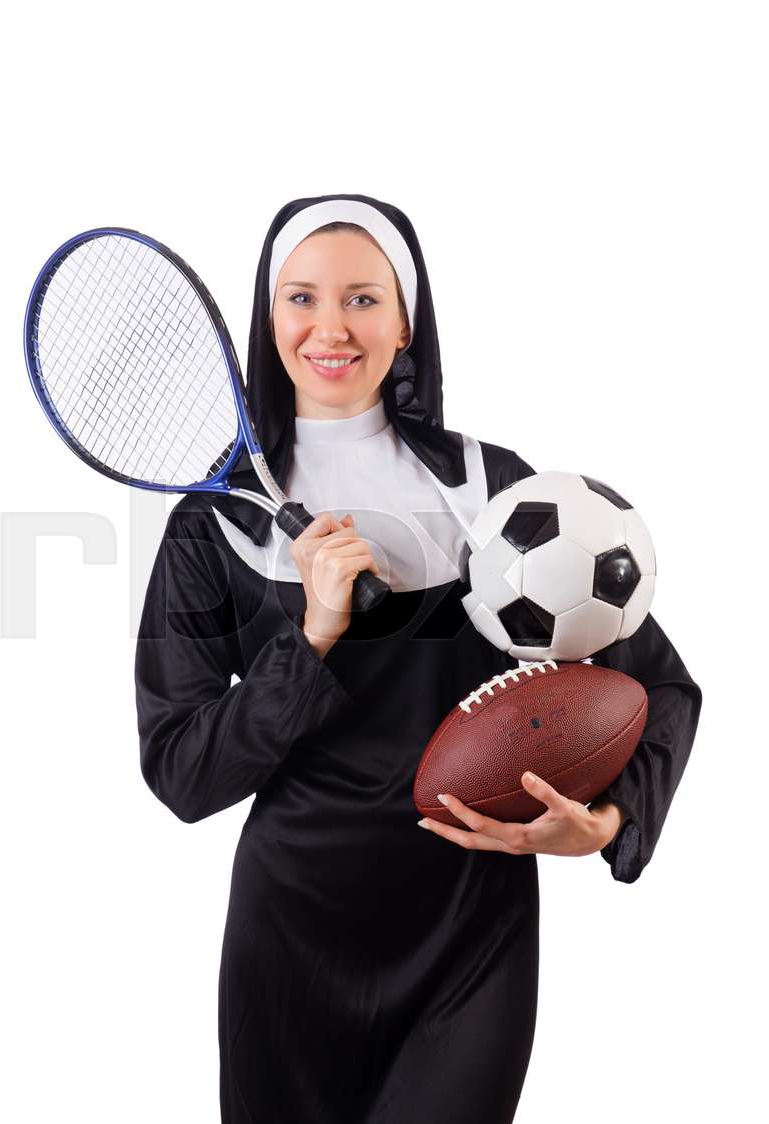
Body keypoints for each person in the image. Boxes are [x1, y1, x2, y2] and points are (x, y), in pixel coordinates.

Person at [134, 194, 700, 1123]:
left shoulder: (502, 493)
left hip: (471, 930)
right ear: (267, 317)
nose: (329, 327)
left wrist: (606, 819)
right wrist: (311, 633)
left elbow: (661, 684)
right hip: (295, 931)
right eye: (301, 298)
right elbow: (183, 772)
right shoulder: (211, 524)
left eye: (363, 299)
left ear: (406, 322)